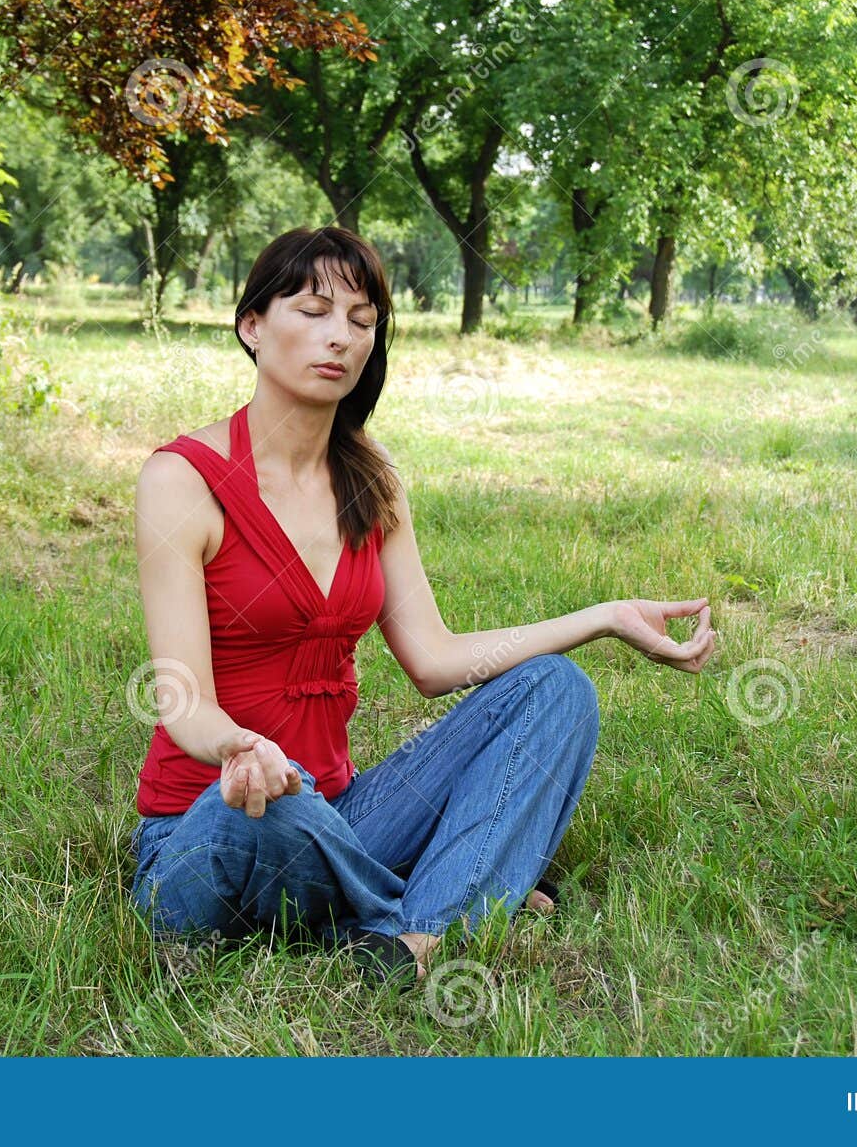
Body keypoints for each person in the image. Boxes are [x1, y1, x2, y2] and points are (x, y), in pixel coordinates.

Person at [129, 225, 716, 982]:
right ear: (251, 325)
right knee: (272, 809)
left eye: (362, 321)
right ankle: (457, 895)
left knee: (557, 688)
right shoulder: (182, 480)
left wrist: (604, 616)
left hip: (343, 815)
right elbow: (180, 700)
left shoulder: (373, 484)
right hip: (209, 830)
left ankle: (410, 938)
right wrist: (239, 750)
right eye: (312, 311)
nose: (339, 336)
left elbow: (436, 660)